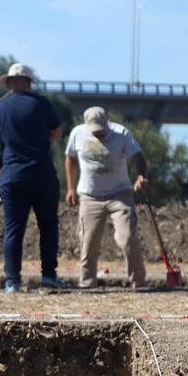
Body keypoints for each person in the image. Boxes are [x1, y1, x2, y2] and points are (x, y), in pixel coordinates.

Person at [0, 63, 66, 292]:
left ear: (9, 83)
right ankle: (48, 275)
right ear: (28, 83)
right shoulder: (42, 104)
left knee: (13, 229)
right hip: (42, 175)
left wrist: (2, 166)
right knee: (48, 225)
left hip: (12, 176)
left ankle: (12, 281)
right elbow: (58, 133)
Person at [64, 107, 149, 288]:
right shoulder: (77, 134)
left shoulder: (121, 133)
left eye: (101, 130)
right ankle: (87, 283)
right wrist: (70, 188)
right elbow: (70, 158)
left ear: (107, 123)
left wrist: (141, 176)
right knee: (88, 241)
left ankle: (139, 281)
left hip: (120, 194)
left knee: (126, 238)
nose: (99, 134)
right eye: (95, 132)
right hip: (90, 195)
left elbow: (138, 156)